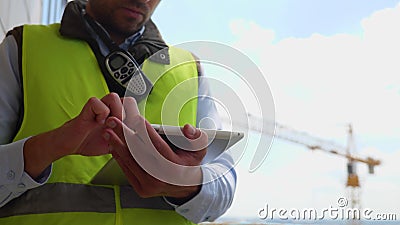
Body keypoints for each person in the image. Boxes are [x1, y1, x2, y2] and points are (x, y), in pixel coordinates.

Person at [0, 0, 236, 224]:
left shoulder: (189, 68)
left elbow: (223, 183)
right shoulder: (22, 47)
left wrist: (184, 184)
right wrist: (50, 146)